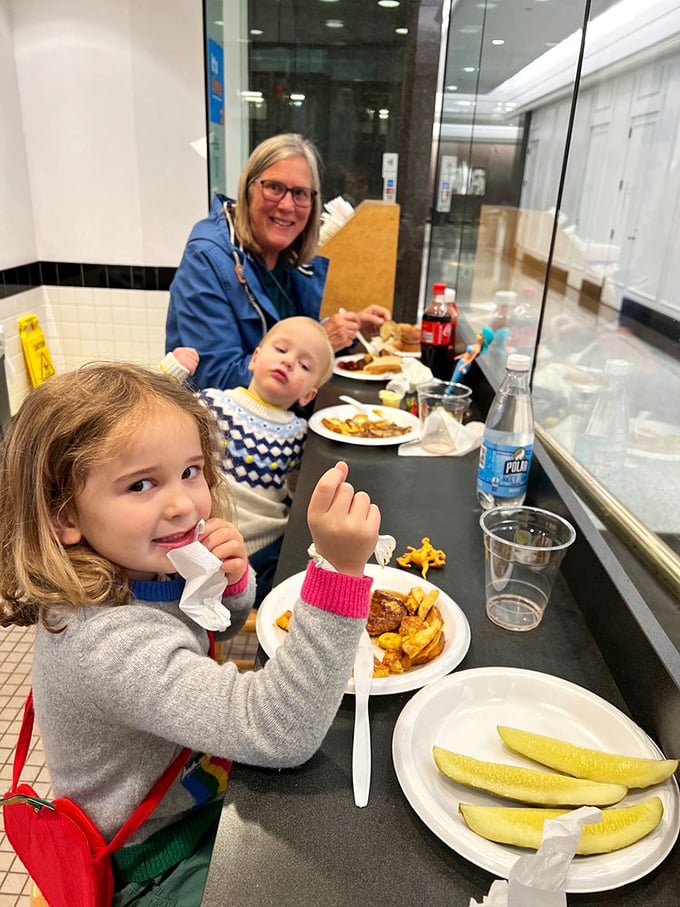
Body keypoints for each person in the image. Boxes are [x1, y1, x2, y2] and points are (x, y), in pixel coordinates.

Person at [0, 362, 380, 907]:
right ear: (65, 515)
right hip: (151, 858)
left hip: (185, 789)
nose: (182, 504)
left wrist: (227, 581)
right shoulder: (108, 644)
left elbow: (212, 621)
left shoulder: (135, 562)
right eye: (141, 484)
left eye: (190, 471)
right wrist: (340, 574)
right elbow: (278, 731)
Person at [165, 132, 391, 391]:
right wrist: (318, 341)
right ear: (248, 189)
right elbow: (215, 377)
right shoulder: (207, 258)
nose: (286, 205)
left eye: (300, 193)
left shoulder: (288, 257)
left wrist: (348, 331)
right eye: (274, 188)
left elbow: (282, 337)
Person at [161, 315, 335, 605]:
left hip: (269, 545)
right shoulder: (212, 403)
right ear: (254, 358)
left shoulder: (302, 434)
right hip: (212, 539)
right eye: (281, 350)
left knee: (307, 579)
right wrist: (170, 372)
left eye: (304, 366)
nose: (289, 362)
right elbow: (156, 415)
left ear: (309, 395)